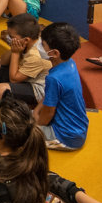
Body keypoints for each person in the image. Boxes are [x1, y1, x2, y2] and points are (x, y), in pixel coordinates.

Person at [35, 22, 88, 151]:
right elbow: (49, 97)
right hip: (78, 130)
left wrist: (36, 126)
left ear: (54, 53)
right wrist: (36, 111)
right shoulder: (70, 62)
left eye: (42, 44)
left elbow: (48, 114)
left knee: (21, 133)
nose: (39, 45)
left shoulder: (54, 78)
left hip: (65, 138)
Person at [0, 12, 49, 106]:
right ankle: (11, 97)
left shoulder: (36, 55)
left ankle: (23, 107)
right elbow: (3, 62)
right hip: (24, 76)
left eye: (11, 37)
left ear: (26, 40)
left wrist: (15, 53)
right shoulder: (25, 42)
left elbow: (14, 80)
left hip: (37, 89)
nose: (9, 38)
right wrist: (13, 49)